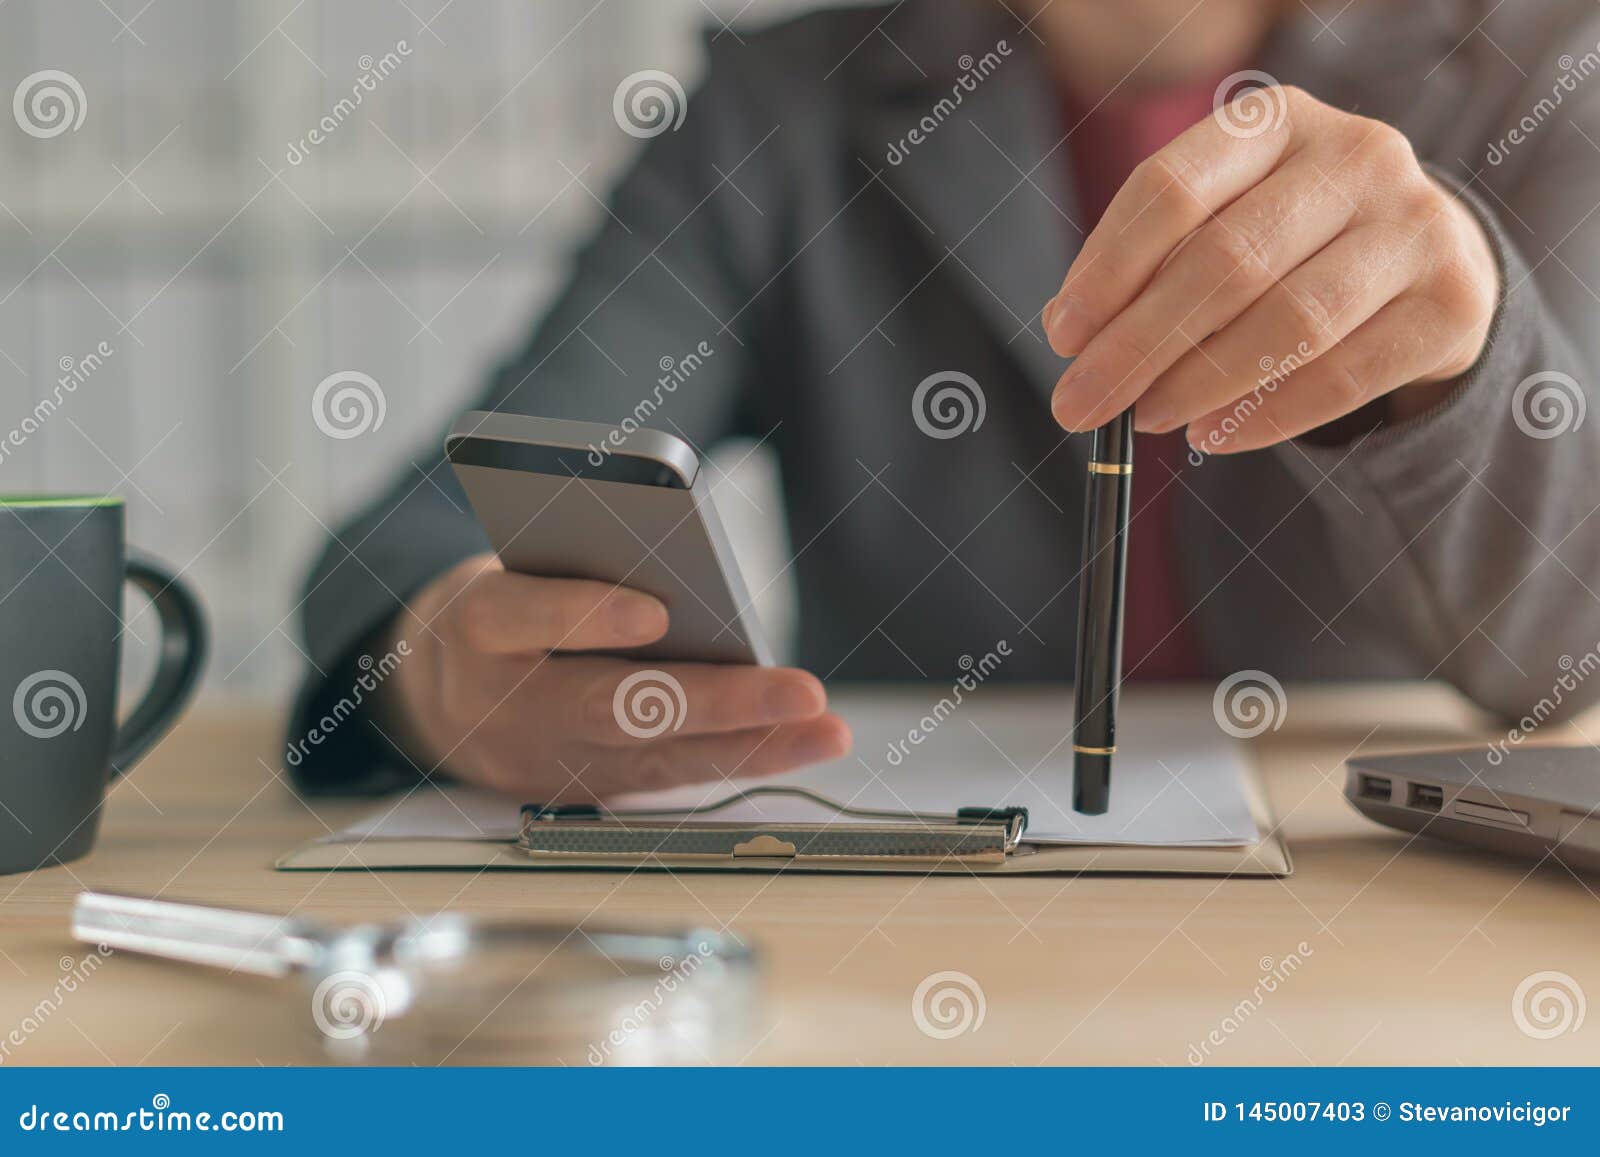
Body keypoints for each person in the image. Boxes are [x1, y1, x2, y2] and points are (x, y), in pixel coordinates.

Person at [290, 0, 1600, 798]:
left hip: (1369, 939)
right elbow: (412, 542)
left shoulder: (1547, 75)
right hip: (912, 929)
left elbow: (1563, 660)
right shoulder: (777, 114)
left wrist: (1457, 365)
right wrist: (439, 666)